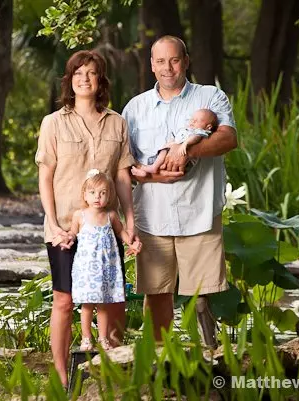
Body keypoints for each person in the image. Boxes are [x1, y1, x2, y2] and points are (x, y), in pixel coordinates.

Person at [122, 35, 237, 348]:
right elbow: (124, 163)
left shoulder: (210, 97)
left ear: (185, 61)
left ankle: (212, 357)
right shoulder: (135, 108)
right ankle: (157, 360)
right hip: (152, 215)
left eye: (174, 60)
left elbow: (228, 139)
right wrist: (154, 177)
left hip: (198, 211)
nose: (168, 67)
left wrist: (186, 152)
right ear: (151, 65)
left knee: (204, 294)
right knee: (156, 294)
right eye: (160, 61)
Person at [35, 50, 137, 387]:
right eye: (78, 73)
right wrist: (51, 222)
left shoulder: (117, 122)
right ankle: (63, 377)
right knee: (65, 300)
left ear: (100, 81)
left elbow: (122, 176)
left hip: (105, 230)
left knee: (113, 298)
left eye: (91, 73)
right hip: (66, 228)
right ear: (69, 80)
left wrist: (130, 220)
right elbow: (45, 176)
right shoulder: (53, 123)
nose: (84, 78)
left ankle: (112, 372)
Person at [53, 169, 141, 351]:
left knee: (103, 306)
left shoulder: (111, 216)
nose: (97, 197)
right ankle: (86, 338)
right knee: (87, 305)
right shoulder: (80, 215)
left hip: (105, 268)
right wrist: (67, 239)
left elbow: (121, 233)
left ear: (109, 196)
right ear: (85, 194)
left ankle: (102, 338)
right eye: (92, 193)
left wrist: (131, 243)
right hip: (87, 269)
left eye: (103, 193)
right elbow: (74, 234)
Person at [132, 108, 217, 177]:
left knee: (164, 152)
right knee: (162, 160)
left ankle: (152, 168)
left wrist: (185, 144)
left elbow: (195, 138)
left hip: (183, 162)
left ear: (208, 127)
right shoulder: (190, 129)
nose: (192, 122)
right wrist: (173, 143)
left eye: (197, 120)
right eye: (192, 119)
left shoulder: (200, 132)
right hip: (174, 157)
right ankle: (145, 172)